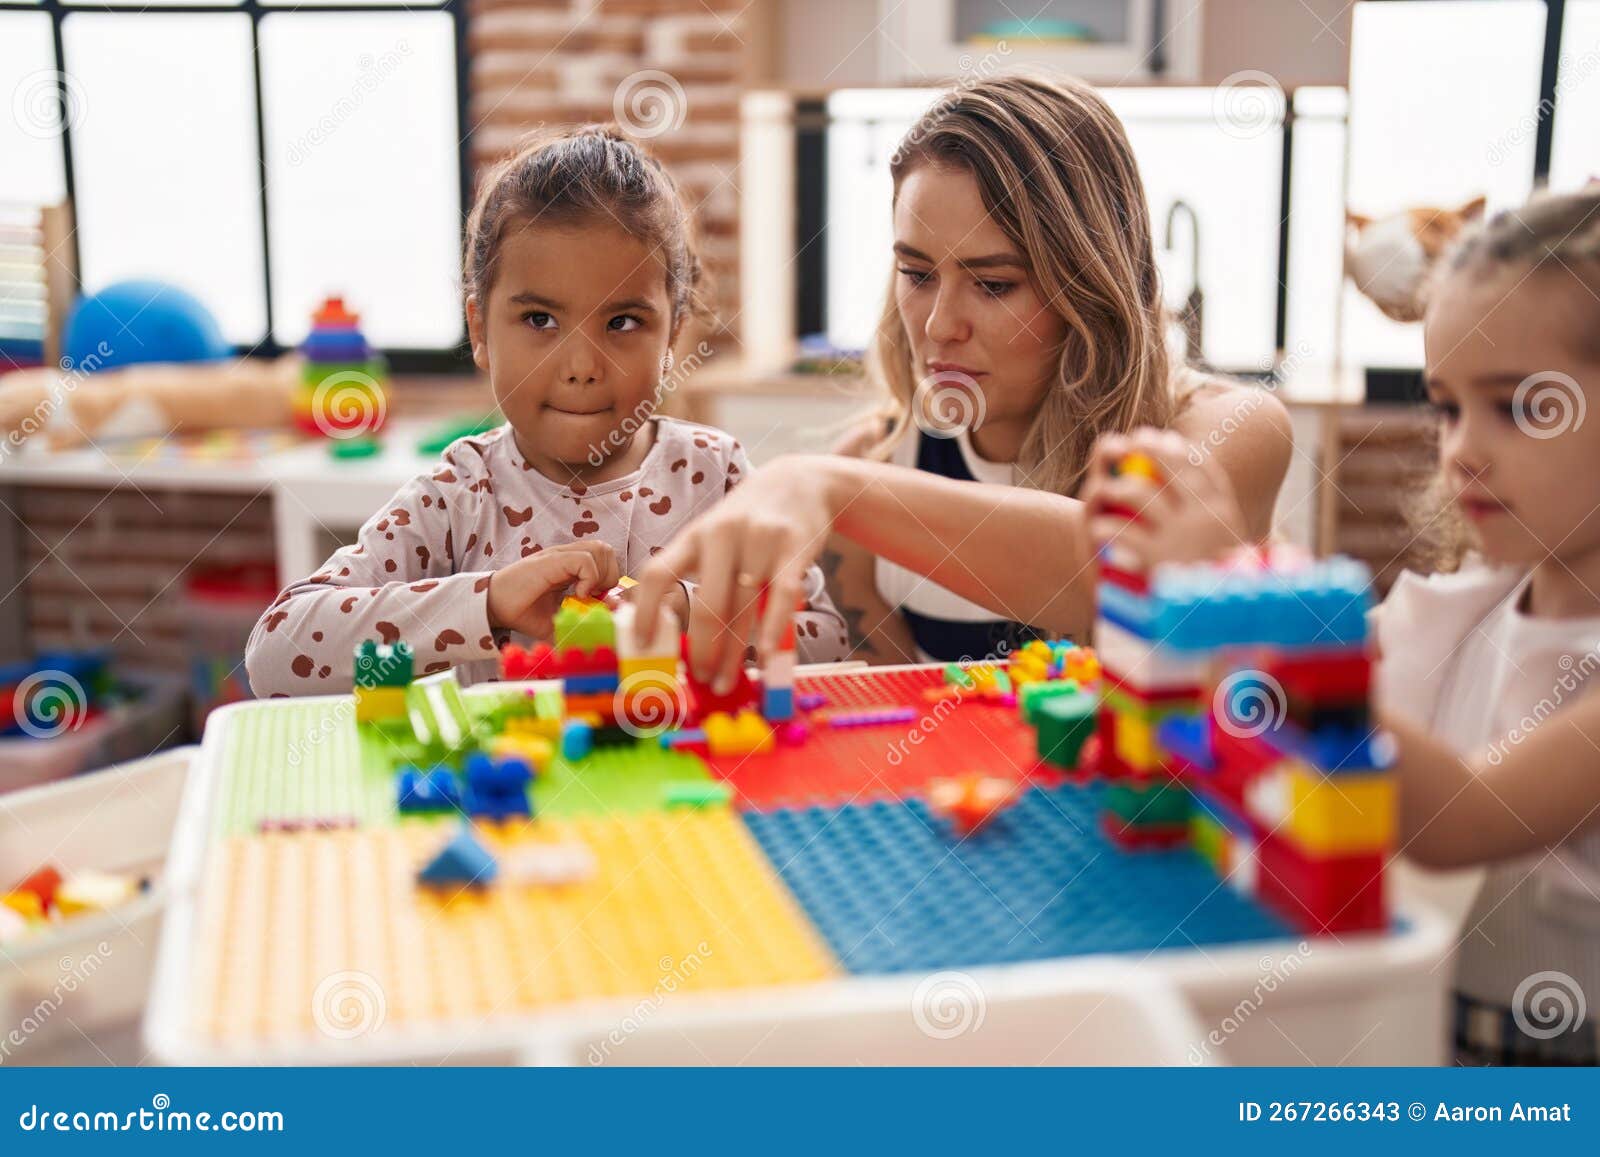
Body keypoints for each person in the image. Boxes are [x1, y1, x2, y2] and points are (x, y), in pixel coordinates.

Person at [1089, 188, 1600, 1066]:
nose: (1461, 449)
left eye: (1518, 406)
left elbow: (1463, 819)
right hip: (1422, 1029)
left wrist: (1233, 588)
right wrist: (1246, 568)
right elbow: (1334, 688)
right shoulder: (1464, 608)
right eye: (1447, 407)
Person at [634, 71, 1291, 691]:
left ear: (1090, 286)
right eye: (918, 274)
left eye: (994, 284)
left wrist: (823, 483)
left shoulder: (1233, 430)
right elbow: (901, 718)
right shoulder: (876, 468)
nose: (941, 325)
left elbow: (1113, 567)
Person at [246, 126, 846, 695]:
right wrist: (488, 600)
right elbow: (276, 652)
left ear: (673, 338)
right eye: (540, 321)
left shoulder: (716, 475)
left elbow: (828, 645)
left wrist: (690, 610)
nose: (581, 364)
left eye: (623, 323)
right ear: (480, 329)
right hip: (510, 801)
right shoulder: (459, 495)